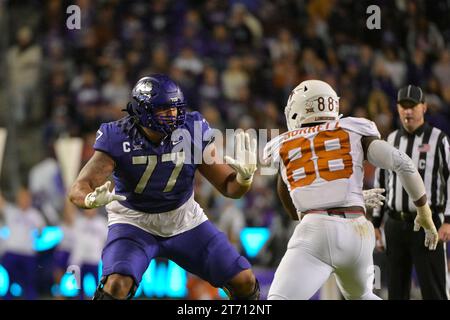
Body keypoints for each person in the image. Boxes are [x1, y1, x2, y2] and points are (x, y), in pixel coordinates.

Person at [69, 74, 259, 300]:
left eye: (176, 108)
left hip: (184, 220)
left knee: (244, 280)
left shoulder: (192, 129)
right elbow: (79, 188)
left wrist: (244, 179)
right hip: (134, 221)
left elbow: (229, 188)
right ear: (142, 111)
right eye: (164, 110)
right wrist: (90, 199)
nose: (174, 115)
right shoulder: (118, 136)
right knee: (116, 285)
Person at [262, 80, 439, 300]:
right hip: (358, 231)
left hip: (316, 230)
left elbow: (292, 209)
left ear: (298, 110)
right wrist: (424, 212)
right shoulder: (354, 128)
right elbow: (403, 163)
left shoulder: (283, 144)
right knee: (362, 296)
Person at [372, 85, 450, 300]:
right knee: (396, 291)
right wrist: (376, 223)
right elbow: (381, 181)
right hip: (395, 223)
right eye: (403, 106)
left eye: (413, 106)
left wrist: (448, 220)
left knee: (434, 290)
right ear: (397, 108)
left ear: (424, 107)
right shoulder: (391, 140)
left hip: (428, 223)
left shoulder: (439, 139)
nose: (408, 111)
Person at [0, 188, 46, 299]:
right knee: (6, 281)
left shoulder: (35, 215)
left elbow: (41, 231)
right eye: (22, 197)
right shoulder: (11, 211)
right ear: (18, 199)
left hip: (28, 253)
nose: (24, 200)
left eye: (26, 197)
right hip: (11, 252)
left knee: (30, 283)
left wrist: (36, 236)